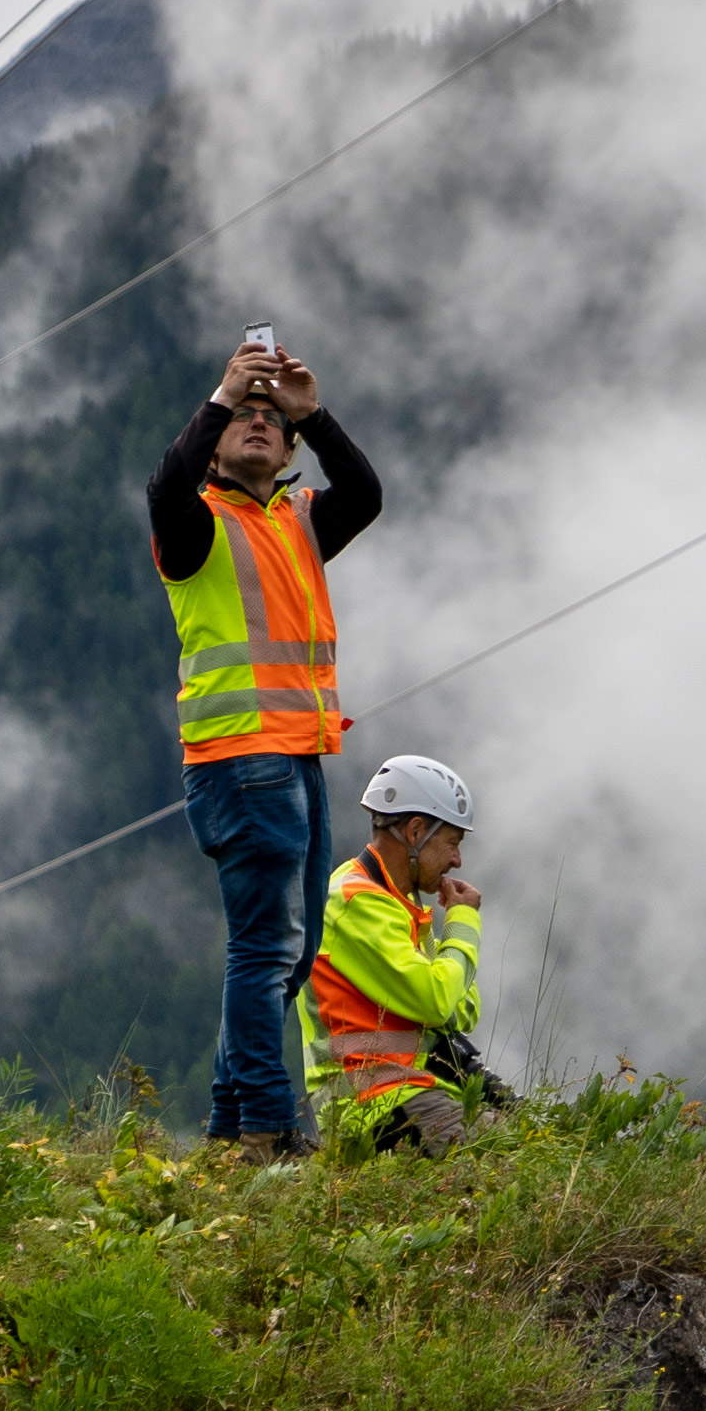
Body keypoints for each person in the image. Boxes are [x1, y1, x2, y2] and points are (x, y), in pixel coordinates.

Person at [148, 336, 383, 1155]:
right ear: (214, 444)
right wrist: (222, 392)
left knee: (296, 945)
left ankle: (227, 1124)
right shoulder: (195, 524)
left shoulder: (301, 519)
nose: (256, 422)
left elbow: (365, 490)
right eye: (240, 418)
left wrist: (312, 410)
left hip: (297, 756)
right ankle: (269, 1127)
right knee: (268, 946)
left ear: (287, 450)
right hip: (241, 760)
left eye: (269, 420)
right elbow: (162, 485)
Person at [304, 754, 486, 1158]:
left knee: (529, 1147)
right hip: (371, 1102)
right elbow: (439, 1002)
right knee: (496, 1164)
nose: (457, 860)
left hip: (409, 1091)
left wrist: (447, 963)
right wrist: (462, 923)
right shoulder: (356, 902)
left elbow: (463, 1011)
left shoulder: (398, 905)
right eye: (452, 843)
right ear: (416, 830)